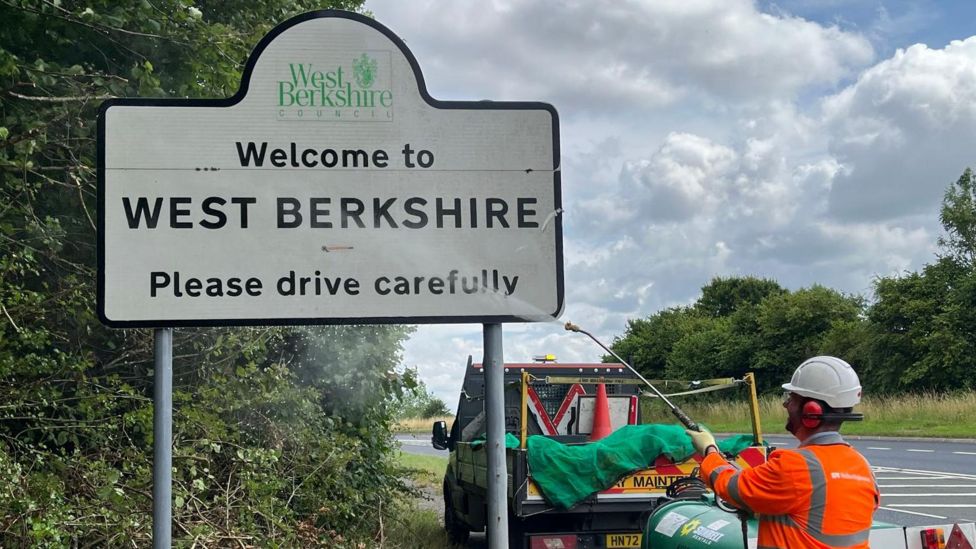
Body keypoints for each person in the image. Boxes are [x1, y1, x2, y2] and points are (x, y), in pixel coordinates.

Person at [686, 356, 880, 549]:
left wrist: (709, 450)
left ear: (811, 411)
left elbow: (731, 487)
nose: (786, 405)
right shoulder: (862, 466)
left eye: (792, 399)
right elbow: (815, 514)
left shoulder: (796, 467)